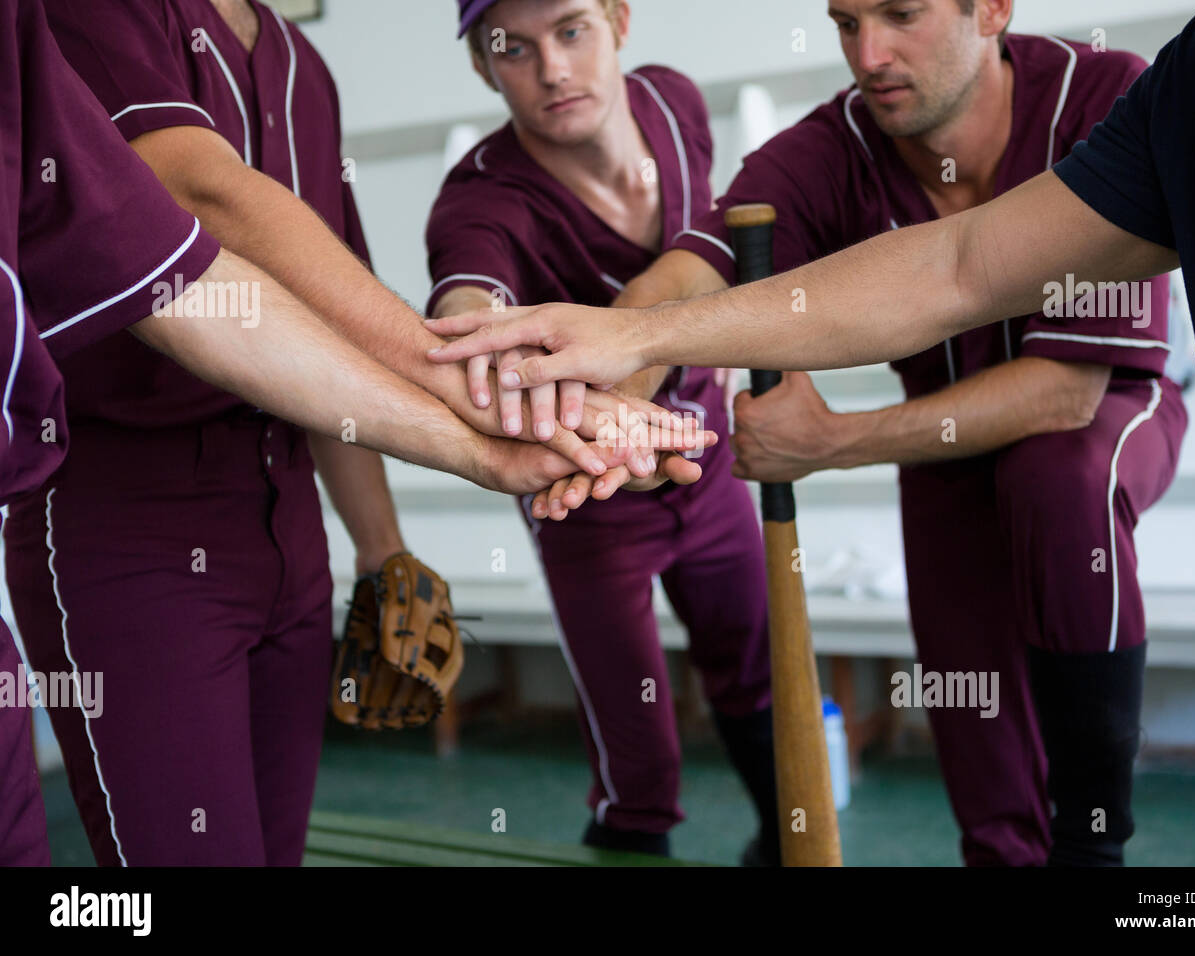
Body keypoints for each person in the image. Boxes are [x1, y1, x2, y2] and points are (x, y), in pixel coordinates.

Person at [430, 0, 1195, 870]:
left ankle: (1092, 846)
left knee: (1056, 478)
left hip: (1102, 412)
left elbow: (1064, 395)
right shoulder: (832, 144)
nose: (869, 53)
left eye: (900, 14)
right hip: (935, 453)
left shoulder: (1103, 89)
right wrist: (618, 400)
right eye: (845, 22)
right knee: (983, 771)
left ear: (991, 9)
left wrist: (831, 441)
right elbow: (686, 280)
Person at [1, 0, 709, 867]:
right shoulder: (96, 14)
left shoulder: (303, 64)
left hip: (290, 509)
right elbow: (197, 207)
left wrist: (383, 549)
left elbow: (326, 329)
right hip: (133, 521)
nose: (554, 67)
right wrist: (496, 405)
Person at [424, 0, 777, 863]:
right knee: (636, 745)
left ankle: (784, 840)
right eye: (513, 47)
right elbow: (465, 312)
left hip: (709, 457)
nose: (550, 69)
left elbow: (718, 261)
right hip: (587, 489)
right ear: (481, 65)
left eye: (572, 29)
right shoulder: (481, 201)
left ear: (620, 19)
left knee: (759, 670)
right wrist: (466, 326)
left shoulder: (676, 103)